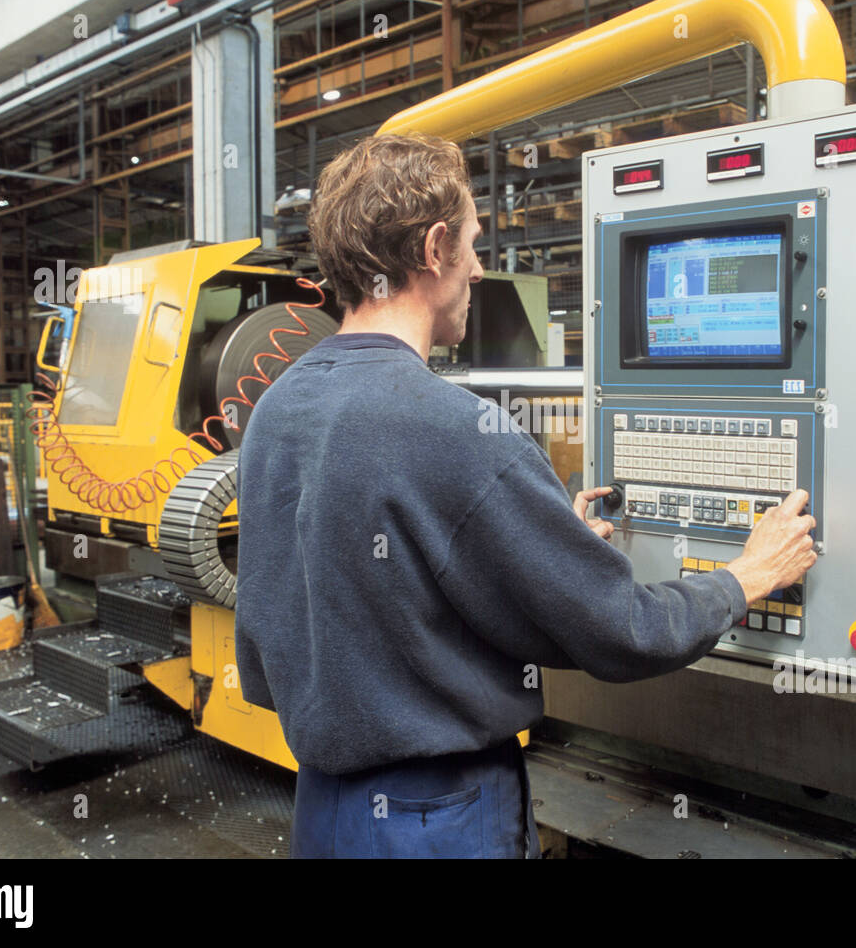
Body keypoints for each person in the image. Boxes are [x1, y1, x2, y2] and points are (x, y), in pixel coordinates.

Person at [234, 133, 816, 859]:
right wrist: (748, 576)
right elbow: (622, 630)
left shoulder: (277, 408)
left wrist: (538, 539)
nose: (479, 270)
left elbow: (355, 594)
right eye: (474, 244)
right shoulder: (452, 426)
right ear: (435, 247)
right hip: (439, 816)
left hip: (323, 808)